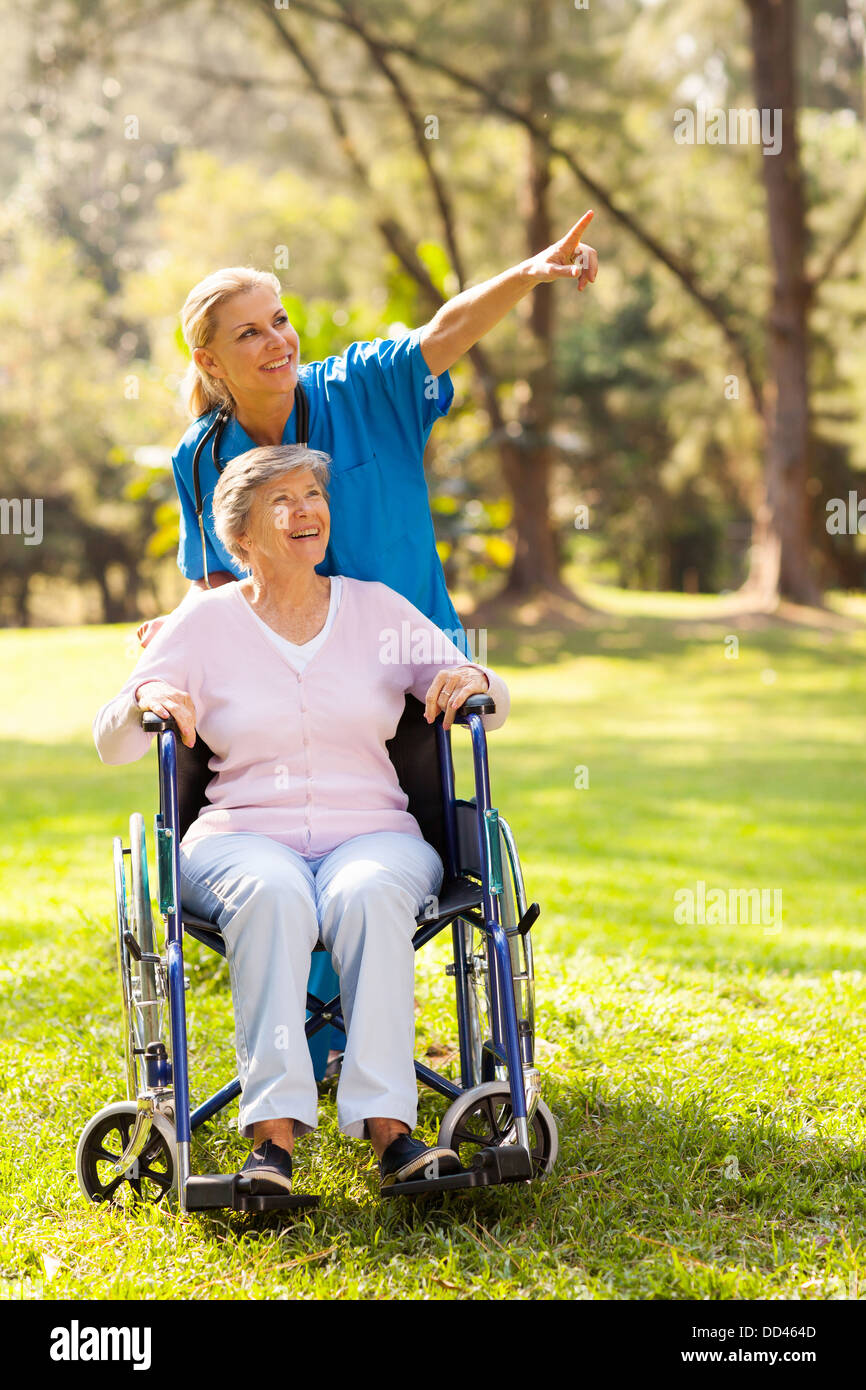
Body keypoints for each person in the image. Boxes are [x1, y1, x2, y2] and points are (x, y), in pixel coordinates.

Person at [138, 210, 597, 1073]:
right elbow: (217, 583)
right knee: (289, 832)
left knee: (382, 847)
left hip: (409, 670)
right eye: (251, 332)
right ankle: (322, 1045)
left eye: (280, 319)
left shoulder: (362, 387)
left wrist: (530, 272)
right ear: (210, 361)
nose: (278, 341)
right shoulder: (202, 458)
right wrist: (184, 629)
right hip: (283, 674)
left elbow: (444, 329)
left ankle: (368, 1042)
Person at [93, 445, 511, 1193]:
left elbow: (490, 698)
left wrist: (470, 675)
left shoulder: (378, 611)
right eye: (281, 501)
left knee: (369, 892)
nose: (306, 511)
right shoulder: (205, 624)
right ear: (240, 536)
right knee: (274, 893)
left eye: (312, 494)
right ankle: (272, 1143)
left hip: (373, 834)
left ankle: (394, 1136)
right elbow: (111, 740)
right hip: (241, 839)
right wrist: (141, 702)